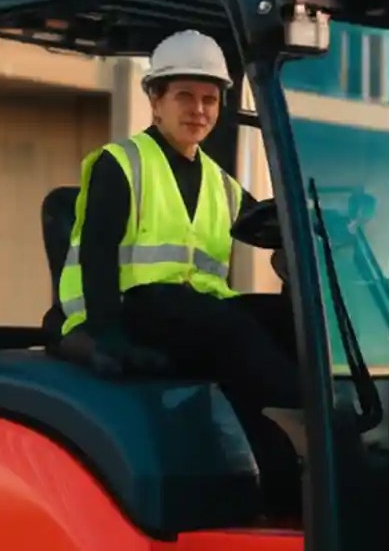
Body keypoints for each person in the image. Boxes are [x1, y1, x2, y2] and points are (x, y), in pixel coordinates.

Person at [53, 28, 303, 515]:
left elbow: (263, 224)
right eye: (185, 96)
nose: (199, 110)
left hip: (192, 313)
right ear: (155, 98)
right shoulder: (121, 164)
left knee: (282, 320)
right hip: (130, 311)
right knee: (232, 329)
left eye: (210, 99)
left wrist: (300, 228)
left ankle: (287, 478)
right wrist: (106, 336)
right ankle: (313, 423)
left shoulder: (218, 181)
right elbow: (97, 257)